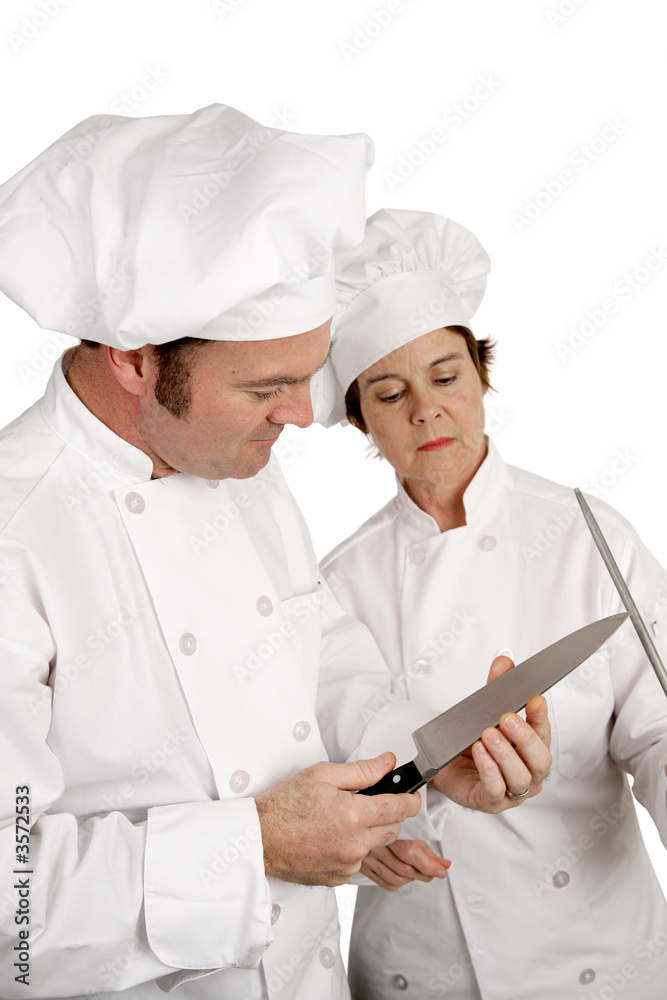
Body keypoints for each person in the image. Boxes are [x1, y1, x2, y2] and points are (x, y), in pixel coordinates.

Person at [0, 110, 551, 999]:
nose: (302, 416)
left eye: (308, 373)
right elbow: (10, 909)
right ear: (134, 359)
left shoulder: (235, 462)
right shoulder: (16, 536)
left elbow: (316, 652)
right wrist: (252, 845)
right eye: (267, 386)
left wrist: (420, 756)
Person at [319, 207, 667, 1000]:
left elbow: (658, 729)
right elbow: (313, 779)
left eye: (445, 376)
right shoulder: (332, 584)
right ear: (359, 419)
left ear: (481, 377)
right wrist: (360, 841)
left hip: (595, 961)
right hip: (420, 962)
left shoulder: (586, 532)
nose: (425, 409)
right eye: (388, 391)